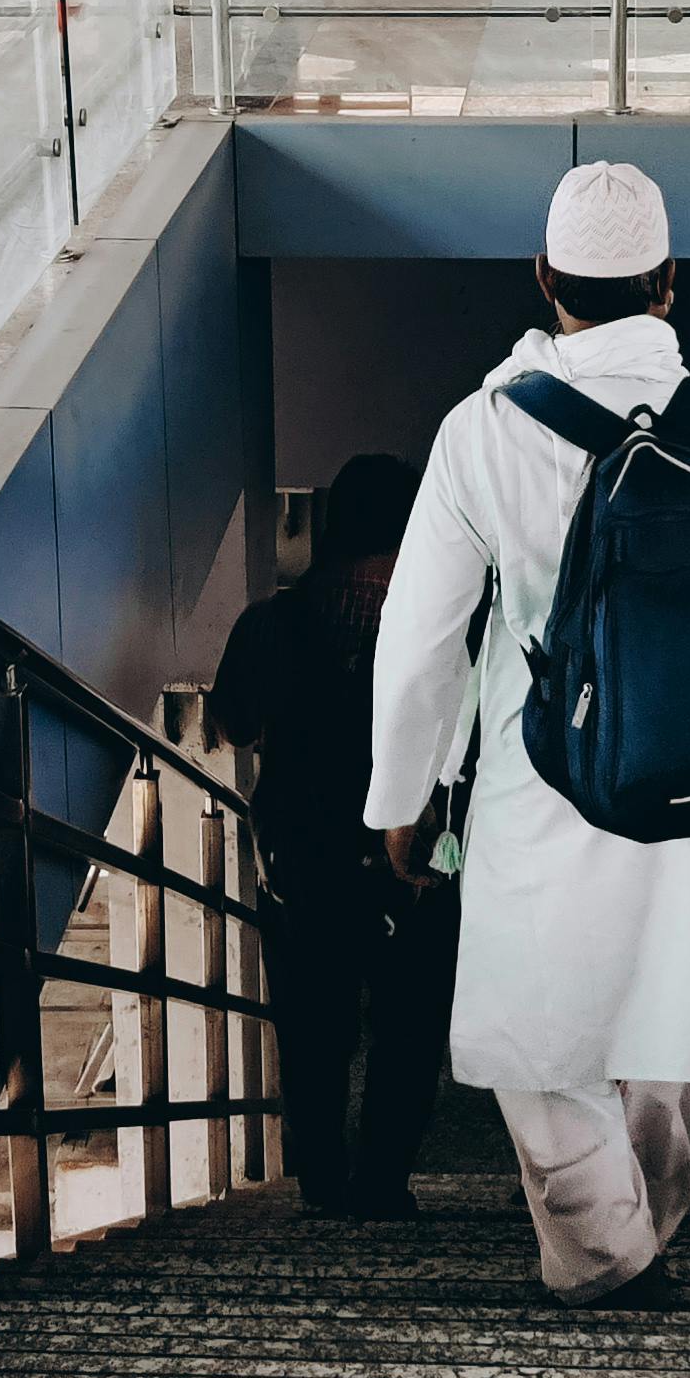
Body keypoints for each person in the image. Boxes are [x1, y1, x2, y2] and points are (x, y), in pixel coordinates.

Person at [366, 161, 690, 1305]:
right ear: (670, 284)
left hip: (548, 782)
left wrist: (402, 800)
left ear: (543, 280)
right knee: (688, 1003)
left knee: (537, 1026)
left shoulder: (482, 430)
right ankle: (643, 1220)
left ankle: (607, 1244)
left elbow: (421, 638)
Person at [211, 455, 453, 1221]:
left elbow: (234, 724)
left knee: (313, 1032)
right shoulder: (443, 626)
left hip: (301, 860)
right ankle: (382, 1184)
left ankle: (321, 1183)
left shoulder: (273, 620)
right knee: (409, 1032)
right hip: (413, 858)